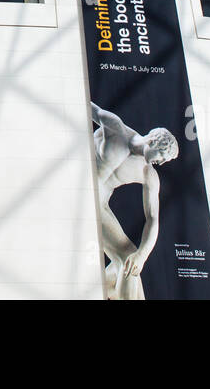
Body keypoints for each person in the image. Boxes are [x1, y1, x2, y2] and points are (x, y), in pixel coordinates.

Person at [90, 101, 178, 299]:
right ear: (154, 142)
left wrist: (142, 254)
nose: (161, 162)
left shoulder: (148, 174)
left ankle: (107, 289)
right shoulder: (115, 128)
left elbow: (153, 219)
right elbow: (83, 105)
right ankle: (108, 289)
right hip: (79, 192)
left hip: (98, 207)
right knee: (126, 260)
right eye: (163, 156)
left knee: (130, 261)